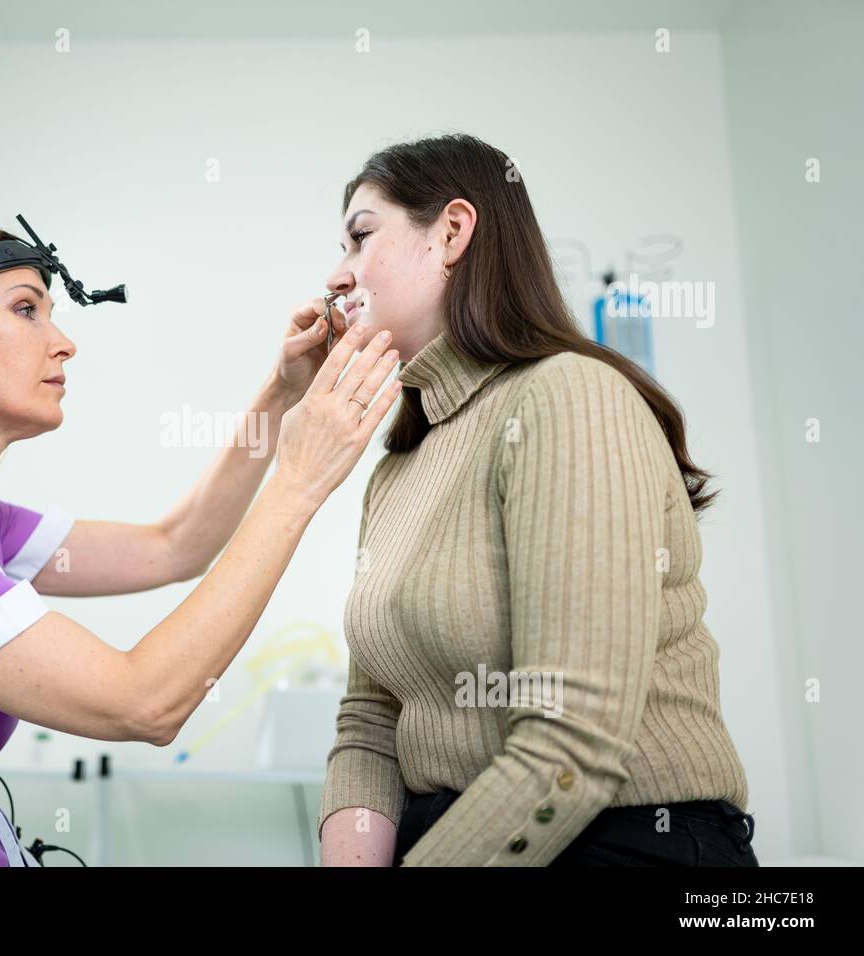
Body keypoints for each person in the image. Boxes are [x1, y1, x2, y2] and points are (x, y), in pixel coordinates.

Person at [0, 213, 402, 866]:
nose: (64, 343)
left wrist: (280, 395)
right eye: (26, 309)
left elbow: (175, 547)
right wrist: (299, 482)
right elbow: (142, 704)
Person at [316, 133, 758, 867]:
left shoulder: (569, 396)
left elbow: (571, 743)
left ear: (451, 232)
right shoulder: (397, 467)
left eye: (360, 237)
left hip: (614, 844)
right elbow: (369, 724)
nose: (337, 275)